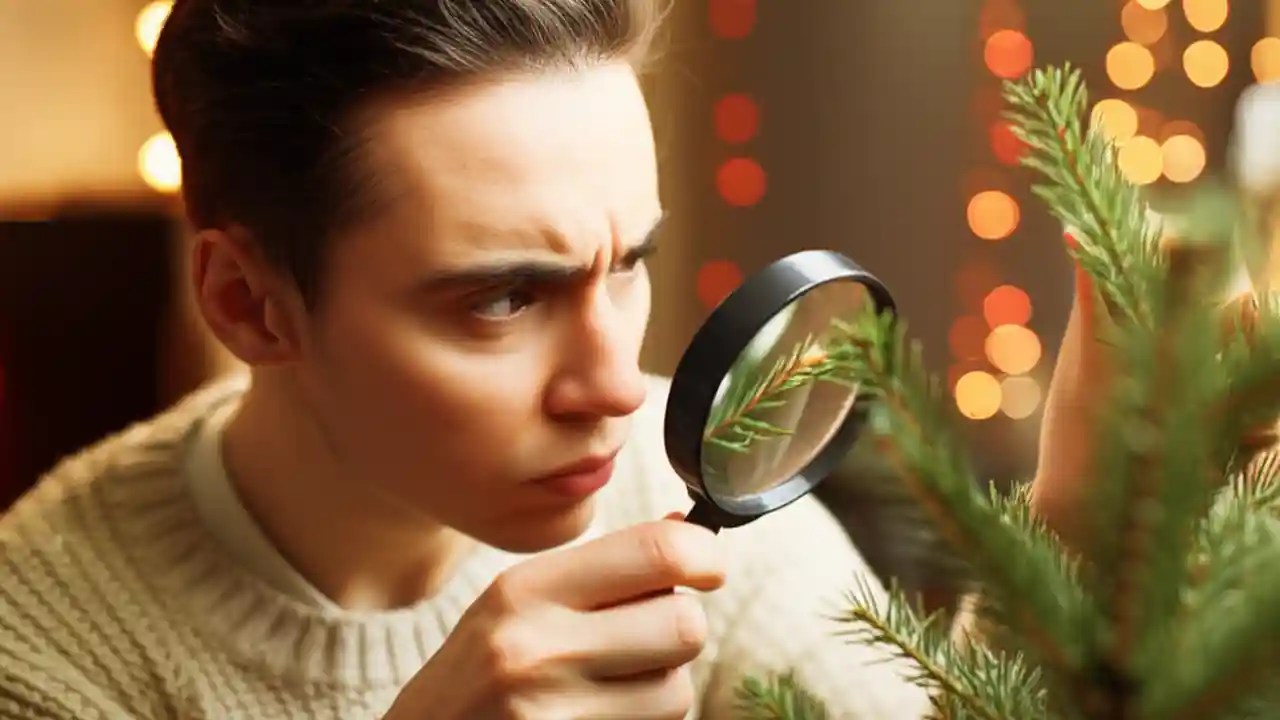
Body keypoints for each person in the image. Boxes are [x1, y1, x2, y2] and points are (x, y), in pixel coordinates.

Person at [0, 2, 936, 718]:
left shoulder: (692, 488)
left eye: (629, 264)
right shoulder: (42, 647)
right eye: (504, 298)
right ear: (248, 304)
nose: (619, 390)